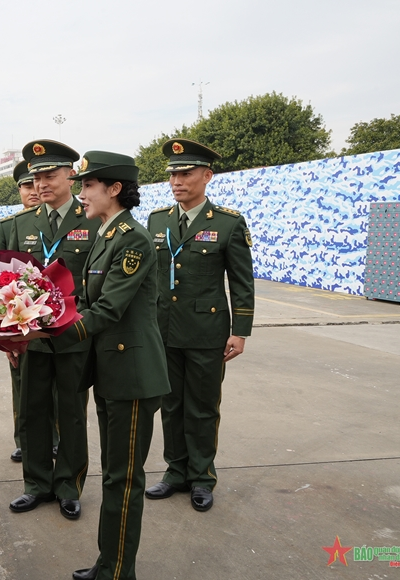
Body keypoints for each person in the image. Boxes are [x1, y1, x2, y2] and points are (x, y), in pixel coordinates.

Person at [51, 151, 171, 580]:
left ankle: (117, 572)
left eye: (88, 185)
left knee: (122, 478)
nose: (81, 194)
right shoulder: (106, 234)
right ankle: (110, 564)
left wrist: (46, 332)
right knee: (114, 476)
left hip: (132, 377)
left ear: (115, 189)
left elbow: (107, 309)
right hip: (111, 372)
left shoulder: (132, 239)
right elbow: (85, 301)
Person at [145, 138, 255, 512]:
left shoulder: (227, 223)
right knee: (171, 405)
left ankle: (202, 477)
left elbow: (241, 281)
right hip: (164, 330)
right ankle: (175, 472)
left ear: (207, 176)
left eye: (186, 173)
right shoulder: (158, 220)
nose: (177, 181)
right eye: (173, 174)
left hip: (207, 333)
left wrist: (240, 331)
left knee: (203, 407)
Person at [7, 139, 101, 520]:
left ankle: (68, 487)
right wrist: (8, 336)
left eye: (49, 175)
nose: (42, 184)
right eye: (36, 178)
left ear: (70, 175)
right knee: (32, 411)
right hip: (32, 340)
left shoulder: (92, 220)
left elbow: (99, 284)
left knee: (72, 414)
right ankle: (36, 484)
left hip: (74, 337)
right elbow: (2, 283)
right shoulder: (20, 224)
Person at [0, 160, 59, 463]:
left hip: (59, 321)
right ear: (19, 189)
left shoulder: (65, 221)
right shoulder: (10, 226)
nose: (34, 190)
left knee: (60, 389)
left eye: (38, 183)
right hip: (23, 325)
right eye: (27, 185)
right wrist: (5, 334)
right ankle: (25, 439)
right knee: (23, 386)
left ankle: (55, 440)